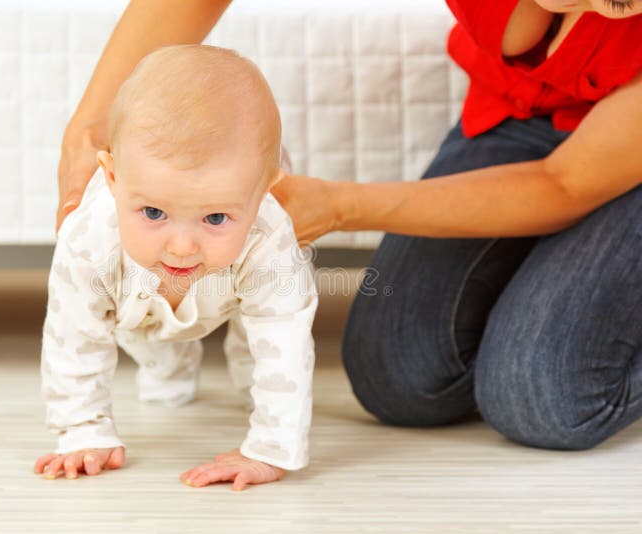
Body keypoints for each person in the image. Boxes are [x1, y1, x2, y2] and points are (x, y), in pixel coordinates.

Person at [56, 0, 642, 455]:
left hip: (613, 151)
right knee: (399, 378)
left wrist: (272, 448)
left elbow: (563, 183)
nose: (182, 245)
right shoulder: (97, 248)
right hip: (524, 112)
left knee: (544, 397)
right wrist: (89, 124)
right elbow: (74, 326)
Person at [34, 45, 318, 490]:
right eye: (152, 212)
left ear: (264, 193)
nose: (182, 246)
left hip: (231, 286)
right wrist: (83, 429)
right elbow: (74, 335)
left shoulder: (268, 235)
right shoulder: (91, 237)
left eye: (216, 218)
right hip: (136, 293)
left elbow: (284, 336)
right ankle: (170, 364)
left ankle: (247, 388)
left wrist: (269, 446)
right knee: (144, 333)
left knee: (258, 339)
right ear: (111, 178)